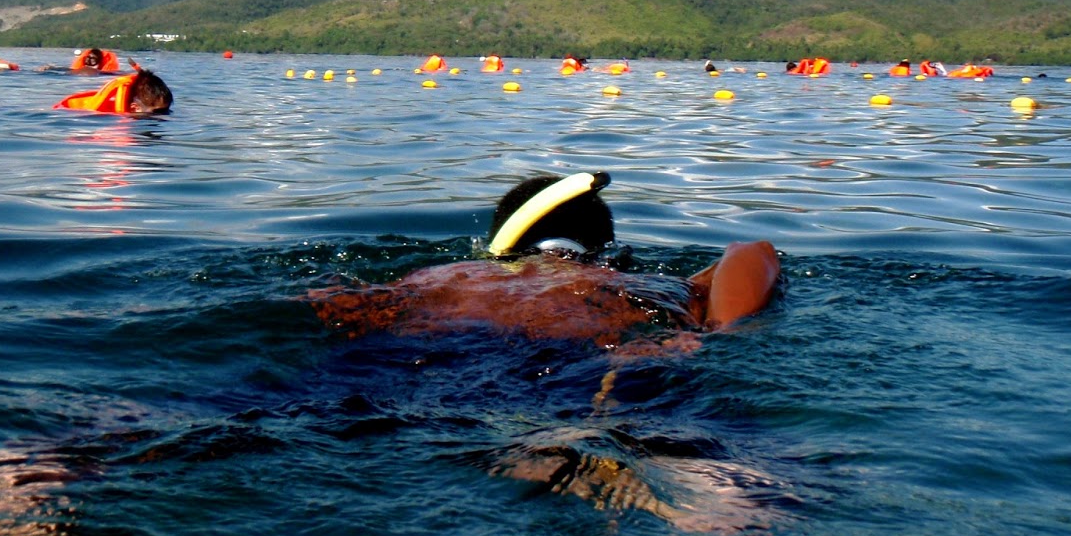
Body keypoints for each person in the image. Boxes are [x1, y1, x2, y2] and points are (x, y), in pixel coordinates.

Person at [310, 172, 780, 346]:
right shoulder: (629, 288)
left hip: (433, 378)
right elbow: (752, 253)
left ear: (497, 245)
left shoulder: (442, 278)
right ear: (605, 250)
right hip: (596, 371)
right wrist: (715, 331)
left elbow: (329, 308)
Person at [54, 63, 173, 115]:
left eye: (166, 111)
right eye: (159, 112)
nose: (165, 117)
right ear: (135, 108)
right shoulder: (104, 114)